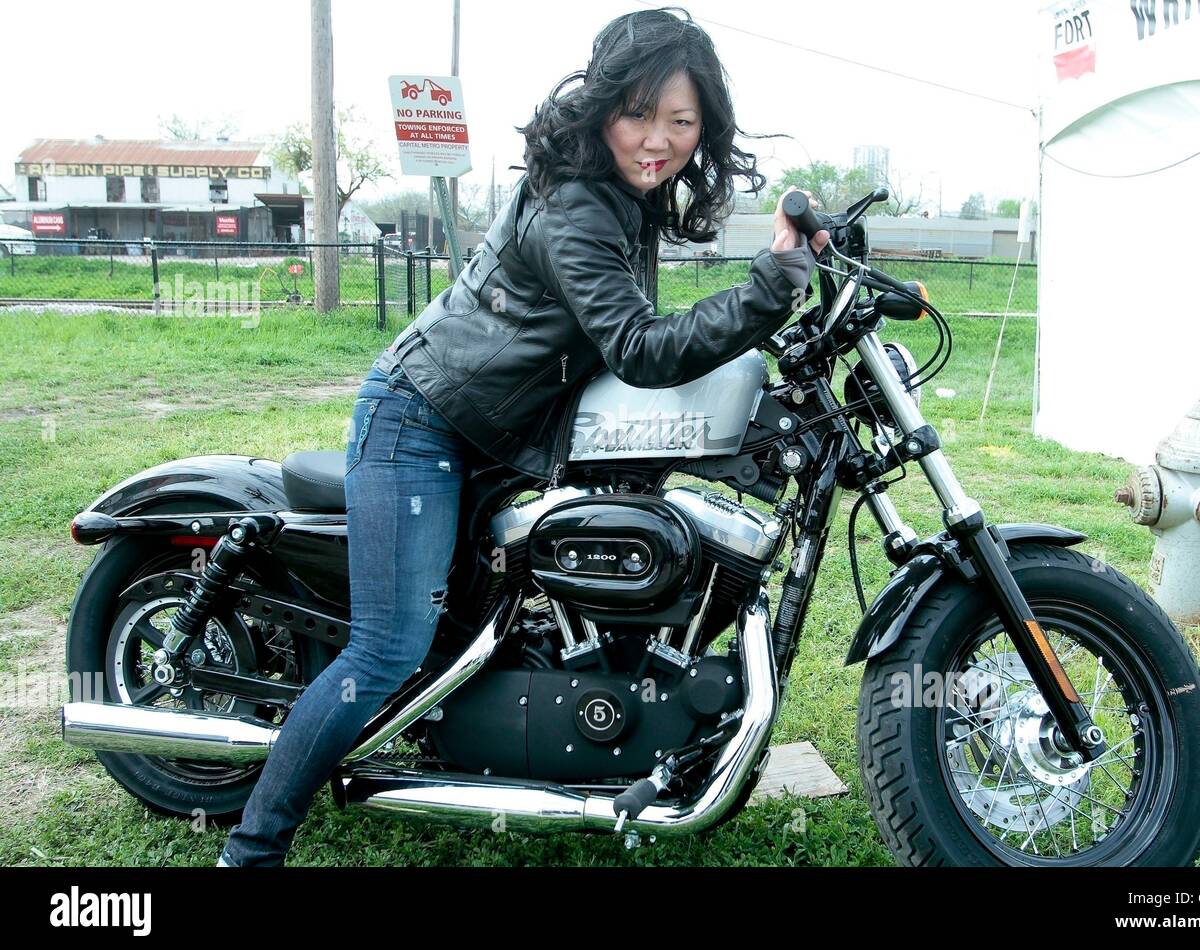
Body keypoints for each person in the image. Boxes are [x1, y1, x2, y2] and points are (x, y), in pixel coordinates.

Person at [218, 5, 828, 866]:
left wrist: (788, 280)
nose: (659, 140)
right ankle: (252, 848)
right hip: (423, 420)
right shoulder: (578, 204)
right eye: (640, 114)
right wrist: (767, 291)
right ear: (602, 105)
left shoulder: (624, 195)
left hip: (497, 432)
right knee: (388, 648)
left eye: (681, 122)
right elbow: (638, 345)